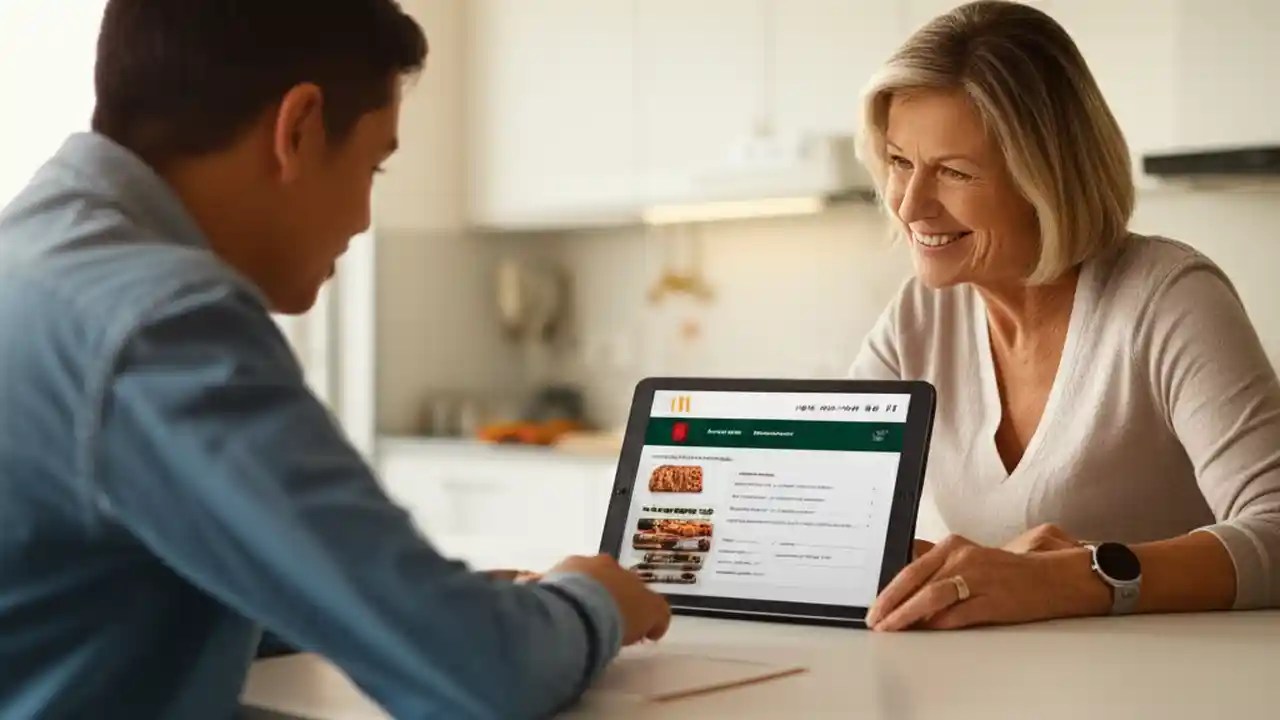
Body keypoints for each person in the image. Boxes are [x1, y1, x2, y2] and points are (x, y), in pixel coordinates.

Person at [0, 2, 669, 718]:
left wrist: (431, 607)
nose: (362, 219)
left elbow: (117, 601)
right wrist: (597, 600)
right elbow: (484, 675)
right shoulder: (163, 320)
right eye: (373, 166)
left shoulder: (33, 259)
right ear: (299, 128)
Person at [849, 0, 1280, 632]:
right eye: (899, 162)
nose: (911, 205)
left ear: (1046, 179)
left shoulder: (1167, 298)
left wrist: (1067, 578)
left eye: (955, 172)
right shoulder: (918, 317)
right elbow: (833, 513)